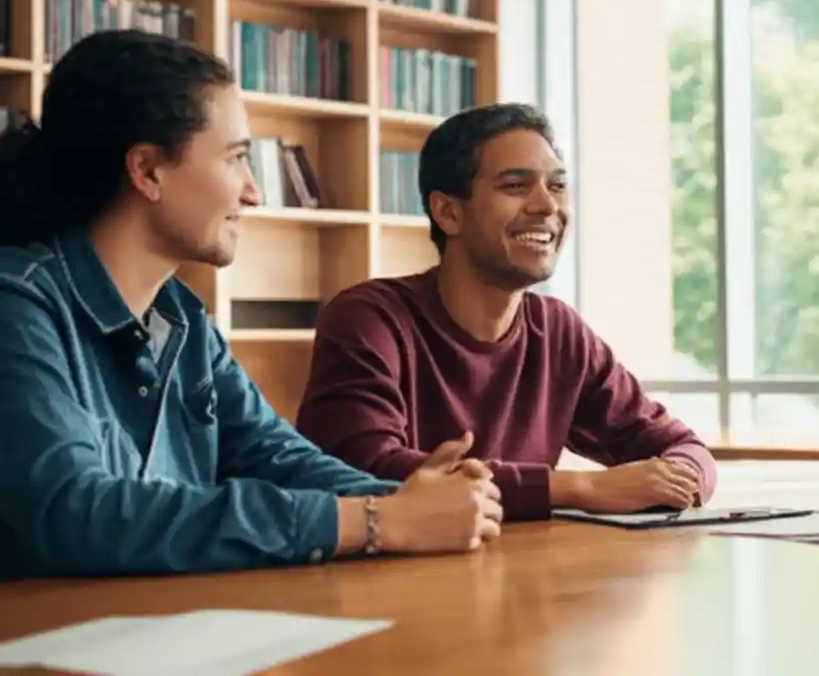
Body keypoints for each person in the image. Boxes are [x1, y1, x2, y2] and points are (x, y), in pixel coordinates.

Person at [0, 30, 502, 579]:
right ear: (146, 170)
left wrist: (414, 501)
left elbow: (278, 457)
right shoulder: (17, 305)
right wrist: (377, 520)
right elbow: (75, 511)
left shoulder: (183, 319)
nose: (254, 191)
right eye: (237, 158)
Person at [295, 103, 717, 521]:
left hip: (519, 564)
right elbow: (366, 469)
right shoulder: (369, 319)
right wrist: (582, 488)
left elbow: (684, 448)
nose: (546, 206)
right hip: (393, 565)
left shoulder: (559, 332)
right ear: (448, 212)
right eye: (515, 186)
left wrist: (679, 478)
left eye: (557, 186)